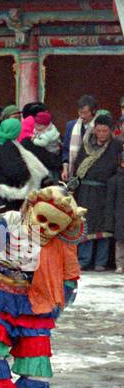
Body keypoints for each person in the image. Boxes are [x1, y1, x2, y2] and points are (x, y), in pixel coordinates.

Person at [0, 187, 85, 388]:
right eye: (41, 219)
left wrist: (58, 301)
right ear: (31, 209)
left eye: (53, 226)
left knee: (36, 361)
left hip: (35, 304)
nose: (44, 228)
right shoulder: (13, 220)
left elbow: (68, 277)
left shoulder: (60, 246)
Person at [70, 110, 121, 271]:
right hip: (86, 191)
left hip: (106, 191)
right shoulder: (86, 145)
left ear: (111, 131)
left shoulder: (116, 146)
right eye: (98, 130)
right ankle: (84, 260)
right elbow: (78, 166)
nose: (101, 134)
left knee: (105, 226)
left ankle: (101, 261)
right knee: (86, 224)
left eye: (105, 131)